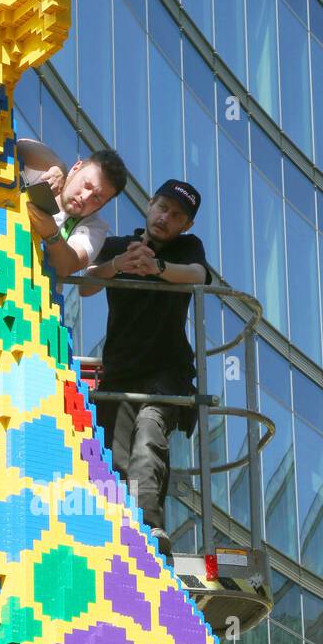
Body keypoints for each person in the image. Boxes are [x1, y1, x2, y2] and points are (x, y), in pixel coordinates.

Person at [0, 142, 128, 534]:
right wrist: (55, 165)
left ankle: (13, 526)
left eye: (99, 198)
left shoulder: (92, 227)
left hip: (29, 332)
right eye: (88, 185)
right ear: (77, 167)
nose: (87, 198)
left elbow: (72, 262)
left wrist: (51, 236)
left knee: (23, 431)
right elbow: (10, 140)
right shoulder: (37, 175)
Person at [85, 180, 211, 558]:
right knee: (116, 458)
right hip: (121, 372)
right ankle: (115, 533)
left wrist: (157, 268)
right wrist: (116, 266)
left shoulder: (187, 248)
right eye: (162, 208)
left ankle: (147, 527)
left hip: (167, 370)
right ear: (150, 204)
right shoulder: (121, 246)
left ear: (185, 225)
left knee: (150, 431)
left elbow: (199, 276)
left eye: (176, 215)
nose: (165, 218)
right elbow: (84, 284)